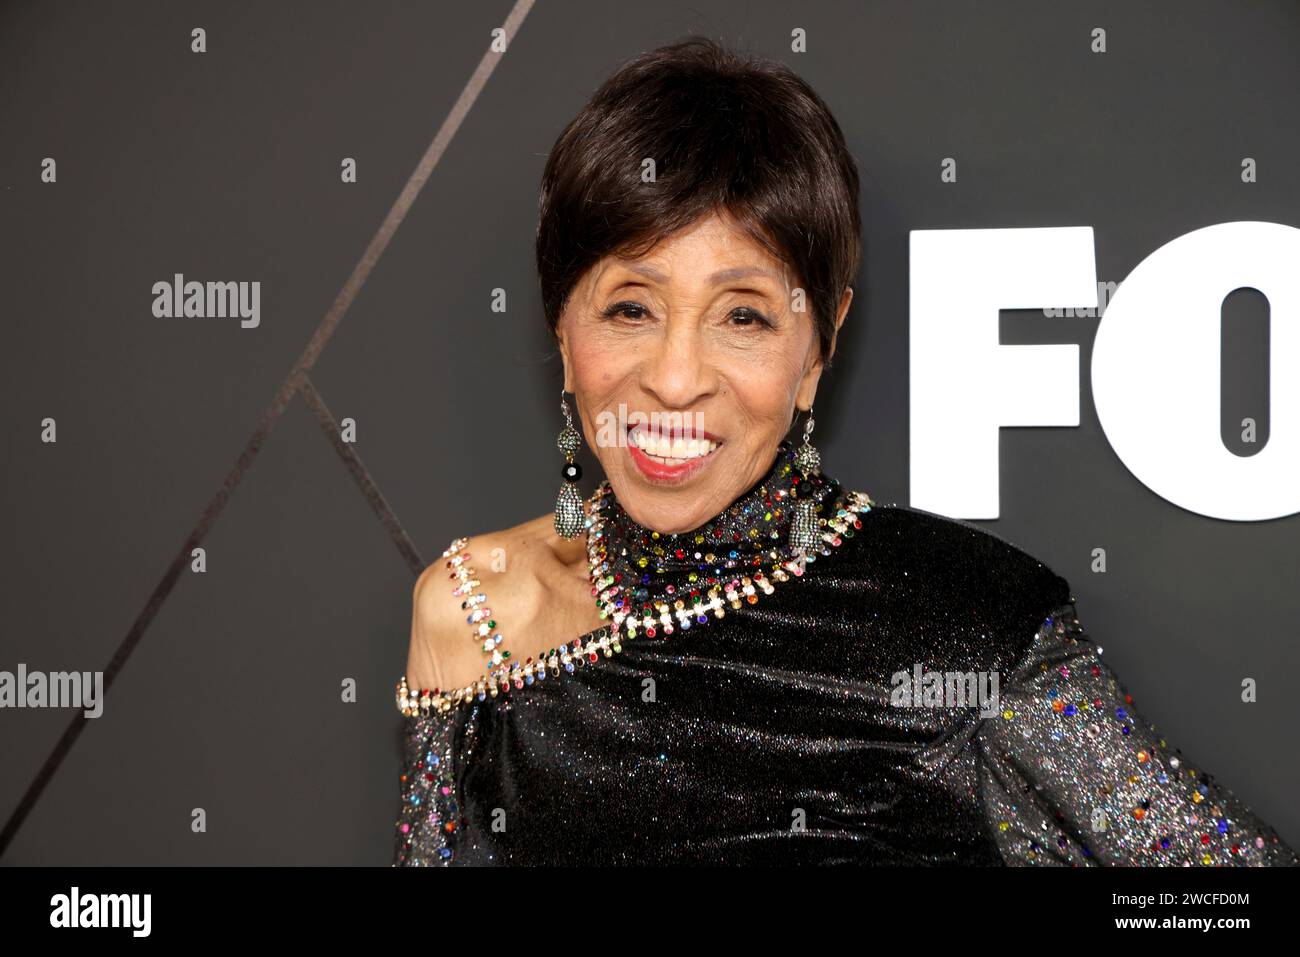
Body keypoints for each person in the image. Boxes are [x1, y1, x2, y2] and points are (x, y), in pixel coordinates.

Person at [392, 36, 1297, 866]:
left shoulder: (960, 623)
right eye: (630, 307)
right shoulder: (472, 611)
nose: (674, 378)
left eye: (743, 316)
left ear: (818, 349)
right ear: (562, 330)